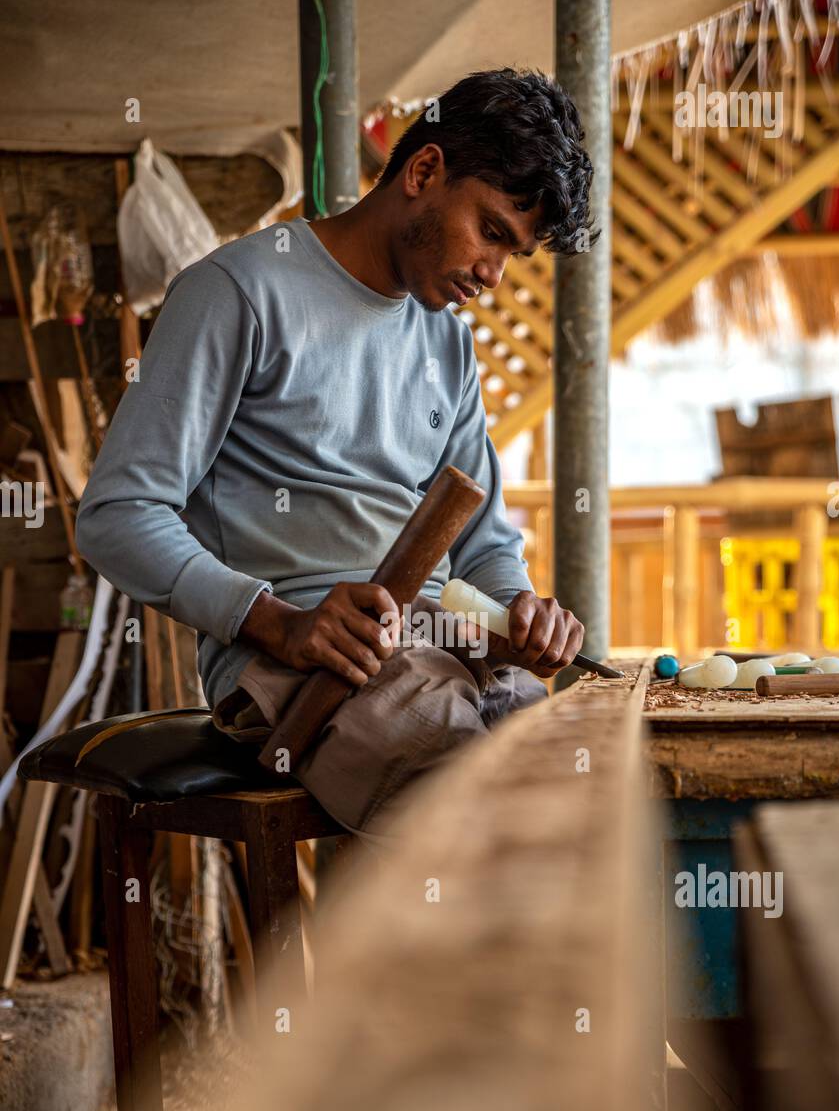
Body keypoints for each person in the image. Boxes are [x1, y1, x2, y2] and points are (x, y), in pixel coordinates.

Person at [76, 68, 594, 844]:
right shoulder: (236, 293)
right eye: (491, 232)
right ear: (423, 171)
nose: (492, 276)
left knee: (590, 781)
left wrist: (515, 616)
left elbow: (482, 545)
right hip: (300, 666)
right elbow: (117, 515)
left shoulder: (445, 342)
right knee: (475, 800)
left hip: (441, 648)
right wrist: (277, 621)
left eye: (512, 255)